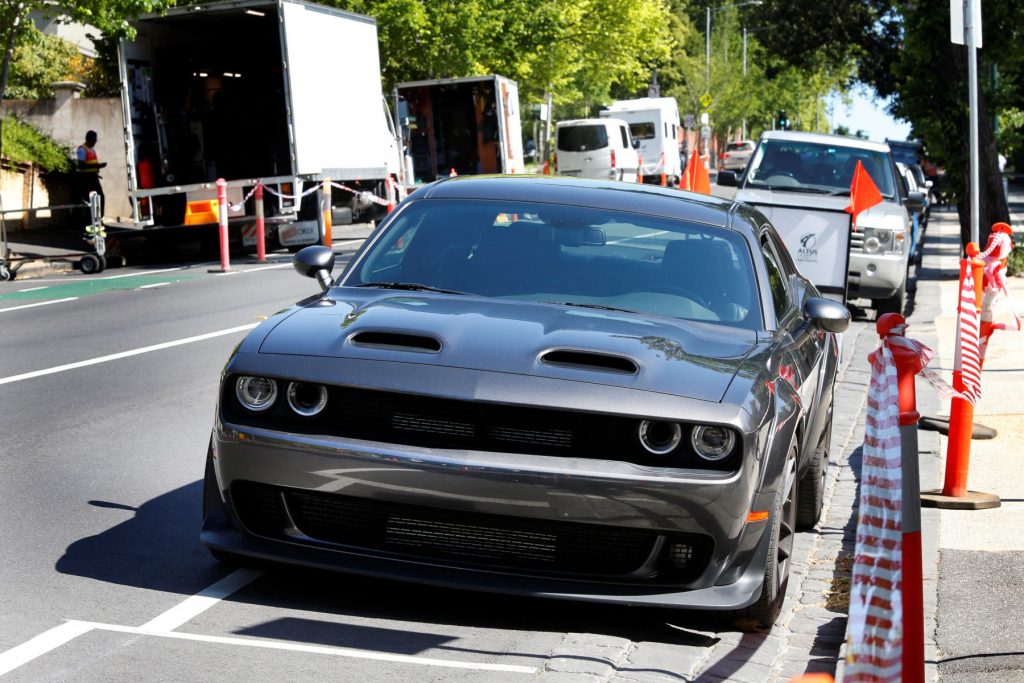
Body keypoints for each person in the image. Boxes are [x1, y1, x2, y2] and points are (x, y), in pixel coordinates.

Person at [76, 130, 107, 210]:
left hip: (93, 177)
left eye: (95, 140)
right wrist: (97, 165)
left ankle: (99, 216)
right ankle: (89, 216)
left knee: (100, 196)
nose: (95, 142)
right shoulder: (82, 150)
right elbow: (81, 165)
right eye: (93, 140)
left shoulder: (92, 150)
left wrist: (98, 166)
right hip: (85, 178)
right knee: (88, 198)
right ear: (88, 139)